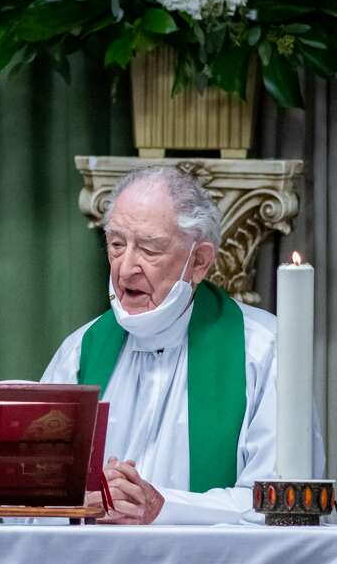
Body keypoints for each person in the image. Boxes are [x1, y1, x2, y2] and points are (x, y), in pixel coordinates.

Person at [42, 166, 324, 524]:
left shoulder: (262, 350)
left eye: (149, 249)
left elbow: (285, 505)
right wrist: (76, 504)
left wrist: (164, 509)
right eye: (116, 245)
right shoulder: (80, 352)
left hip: (213, 562)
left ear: (199, 261)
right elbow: (27, 502)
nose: (125, 269)